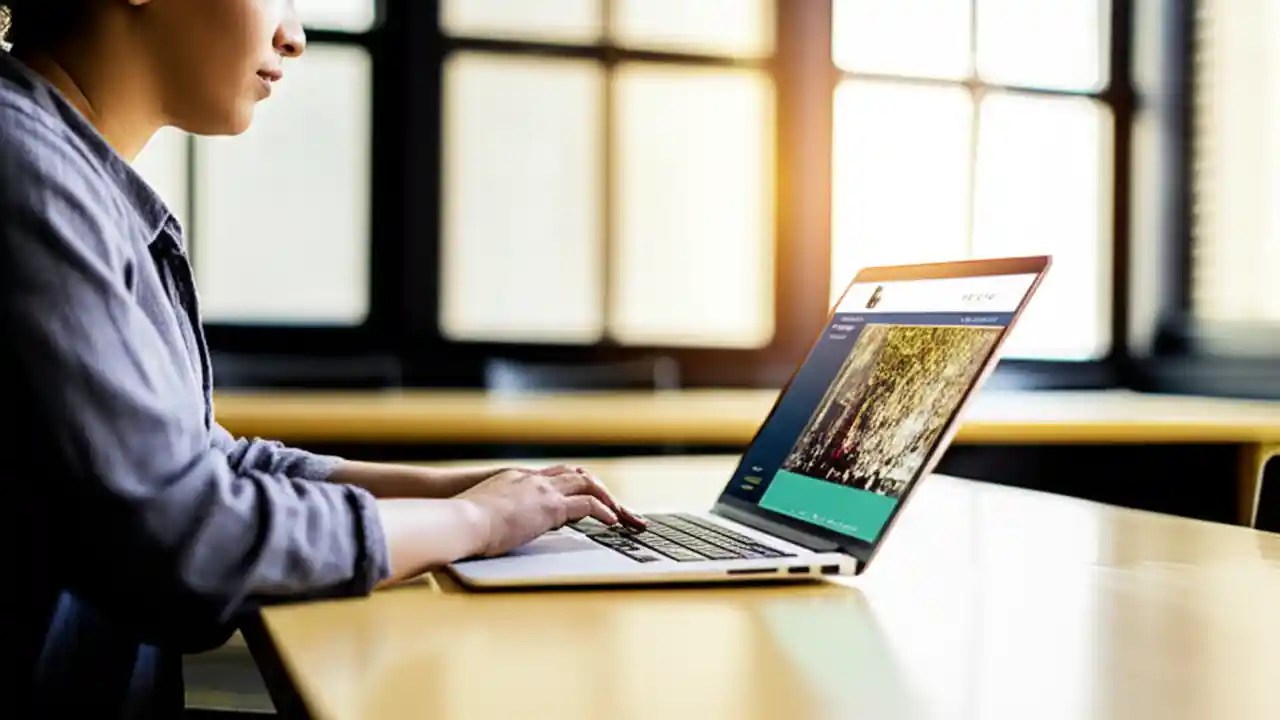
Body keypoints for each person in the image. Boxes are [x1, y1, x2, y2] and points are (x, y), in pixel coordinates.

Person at [0, 1, 645, 715]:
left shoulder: (68, 174)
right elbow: (186, 537)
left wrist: (460, 490)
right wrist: (477, 525)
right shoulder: (23, 172)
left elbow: (209, 465)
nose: (294, 36)